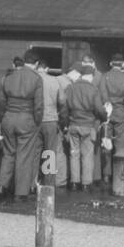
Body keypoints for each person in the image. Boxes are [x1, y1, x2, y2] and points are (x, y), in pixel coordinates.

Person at [0, 50, 44, 203]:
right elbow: (39, 106)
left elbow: (0, 102)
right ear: (36, 64)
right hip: (27, 118)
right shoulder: (36, 78)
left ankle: (1, 187)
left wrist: (2, 119)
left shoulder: (7, 77)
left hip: (8, 117)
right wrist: (37, 121)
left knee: (8, 154)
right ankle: (20, 193)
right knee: (24, 156)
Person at [64, 64, 109, 191]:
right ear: (90, 76)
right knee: (87, 155)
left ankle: (74, 182)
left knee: (74, 154)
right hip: (88, 126)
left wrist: (66, 123)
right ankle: (86, 183)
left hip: (73, 125)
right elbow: (99, 110)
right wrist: (105, 117)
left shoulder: (70, 88)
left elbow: (64, 108)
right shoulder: (93, 90)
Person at [98, 55, 124, 182]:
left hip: (107, 115)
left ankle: (106, 175)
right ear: (122, 65)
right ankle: (119, 175)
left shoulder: (104, 77)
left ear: (110, 63)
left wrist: (107, 108)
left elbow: (102, 95)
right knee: (122, 145)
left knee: (106, 143)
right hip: (121, 114)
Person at [37, 58, 69, 187]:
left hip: (34, 121)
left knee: (34, 152)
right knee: (49, 152)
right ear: (46, 69)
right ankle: (48, 182)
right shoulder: (54, 81)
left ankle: (33, 182)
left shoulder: (32, 79)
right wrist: (63, 121)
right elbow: (62, 102)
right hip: (50, 120)